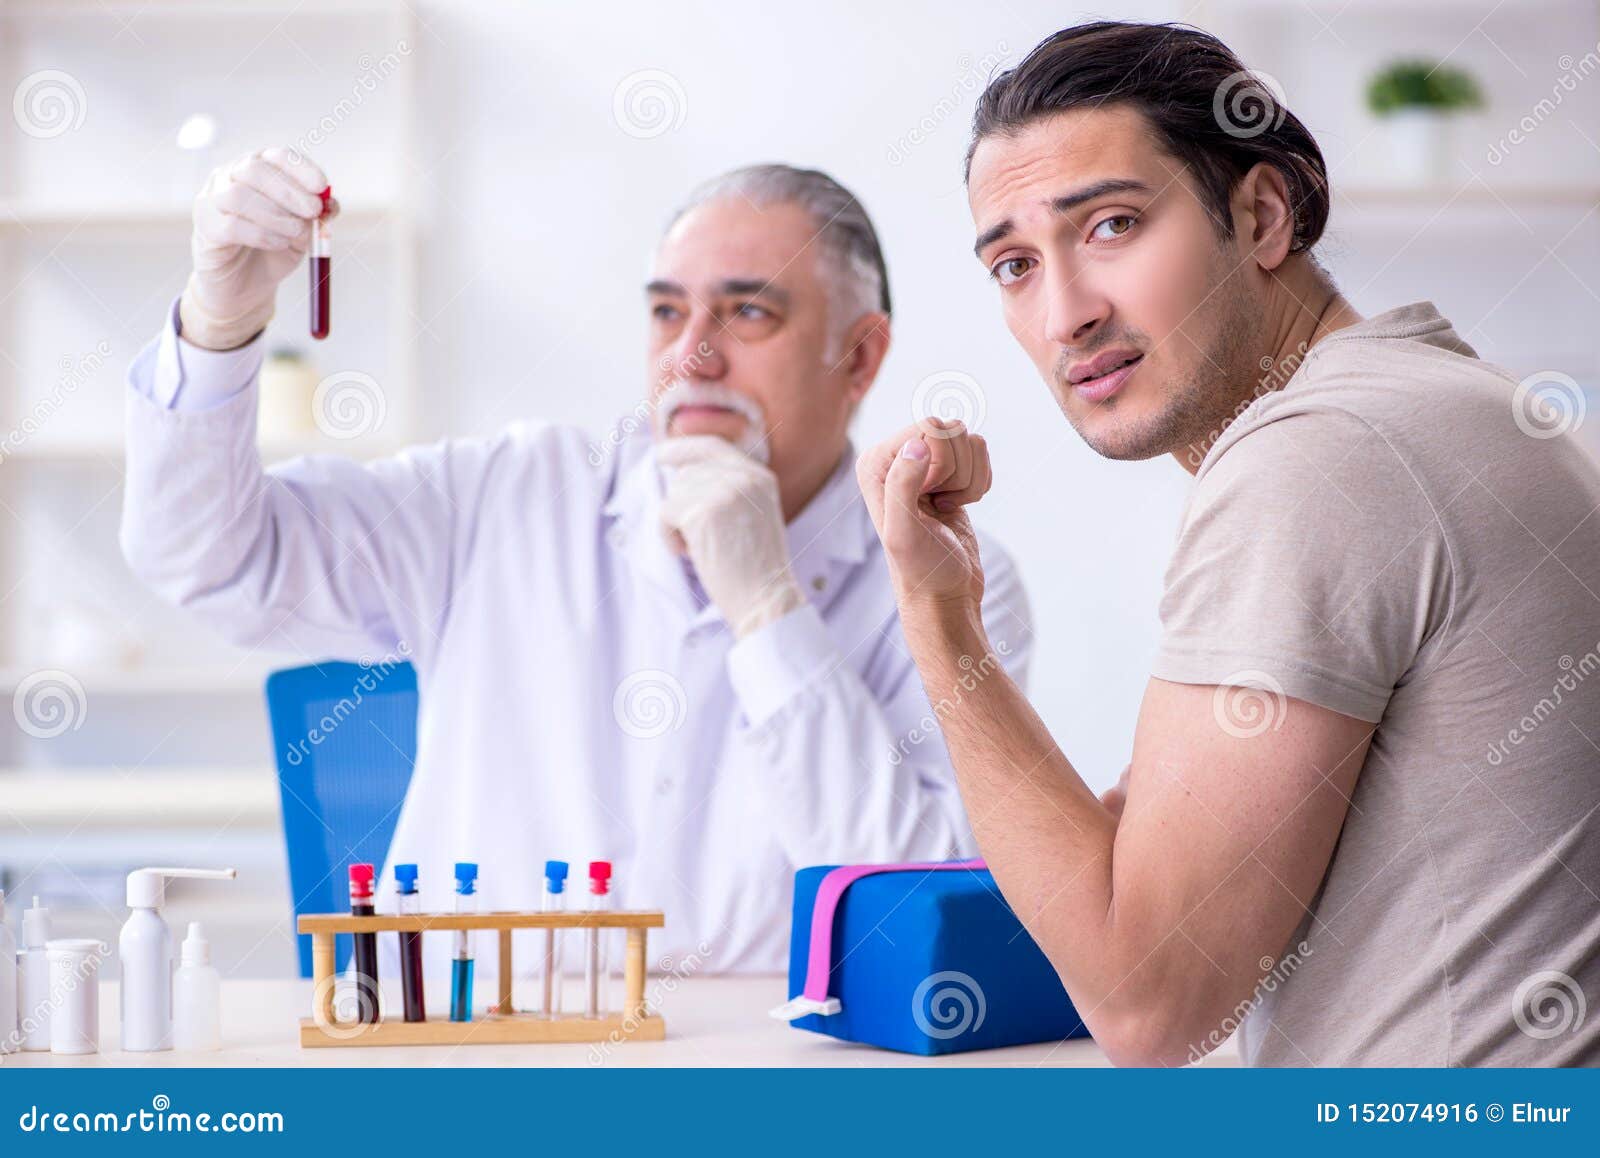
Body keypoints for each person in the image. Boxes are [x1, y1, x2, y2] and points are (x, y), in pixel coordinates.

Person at [858, 21, 1600, 1066]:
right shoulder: (1433, 405)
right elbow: (1145, 881)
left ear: (1259, 214)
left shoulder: (1322, 458)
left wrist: (937, 615)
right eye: (1016, 264)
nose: (1064, 312)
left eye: (1111, 224)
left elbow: (1148, 1005)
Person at [120, 151, 1031, 982]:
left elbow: (919, 918)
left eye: (749, 310)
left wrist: (768, 607)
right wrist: (219, 325)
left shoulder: (943, 578)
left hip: (766, 1074)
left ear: (860, 355)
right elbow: (204, 560)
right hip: (471, 1061)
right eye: (669, 310)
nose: (693, 354)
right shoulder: (502, 495)